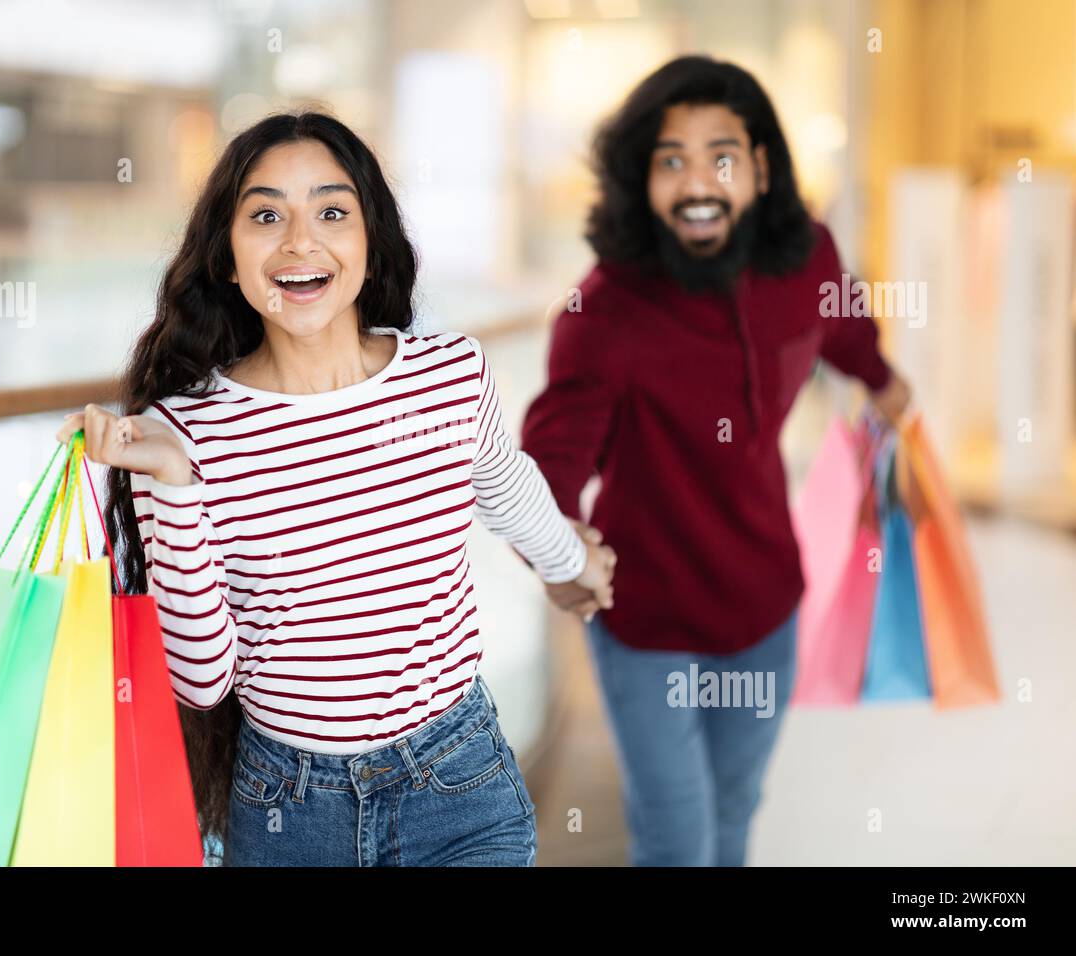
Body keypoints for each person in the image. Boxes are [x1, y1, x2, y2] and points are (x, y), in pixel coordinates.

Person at [59, 111, 616, 866]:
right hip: (289, 811)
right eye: (265, 215)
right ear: (226, 257)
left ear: (368, 240)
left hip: (458, 784)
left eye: (331, 211)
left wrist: (571, 566)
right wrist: (178, 483)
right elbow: (200, 680)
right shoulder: (182, 435)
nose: (299, 241)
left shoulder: (449, 374)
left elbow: (504, 486)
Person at [519, 55, 912, 867]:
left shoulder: (807, 260)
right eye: (672, 160)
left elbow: (841, 329)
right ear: (644, 179)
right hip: (648, 622)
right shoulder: (606, 311)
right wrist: (559, 551)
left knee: (734, 815)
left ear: (762, 168)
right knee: (676, 841)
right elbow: (551, 460)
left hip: (767, 607)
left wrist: (881, 381)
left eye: (722, 156)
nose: (699, 180)